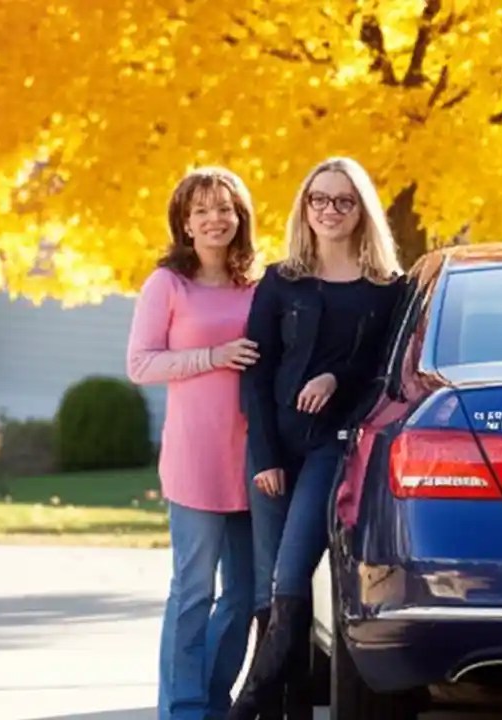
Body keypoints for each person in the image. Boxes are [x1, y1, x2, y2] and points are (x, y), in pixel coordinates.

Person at [231, 157, 405, 719]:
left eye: (343, 201)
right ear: (304, 208)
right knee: (266, 590)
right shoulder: (281, 280)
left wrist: (336, 378)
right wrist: (262, 456)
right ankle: (286, 711)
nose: (329, 210)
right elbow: (255, 371)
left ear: (362, 212)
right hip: (275, 446)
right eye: (319, 199)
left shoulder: (386, 290)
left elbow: (384, 372)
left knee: (291, 573)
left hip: (333, 446)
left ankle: (246, 704)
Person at [126, 166, 260, 720]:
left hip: (253, 458)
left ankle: (212, 700)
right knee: (193, 591)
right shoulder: (167, 285)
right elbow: (140, 364)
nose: (214, 219)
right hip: (195, 458)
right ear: (184, 220)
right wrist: (213, 356)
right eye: (202, 210)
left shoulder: (259, 281)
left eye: (224, 209)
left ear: (240, 217)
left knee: (246, 594)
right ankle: (181, 709)